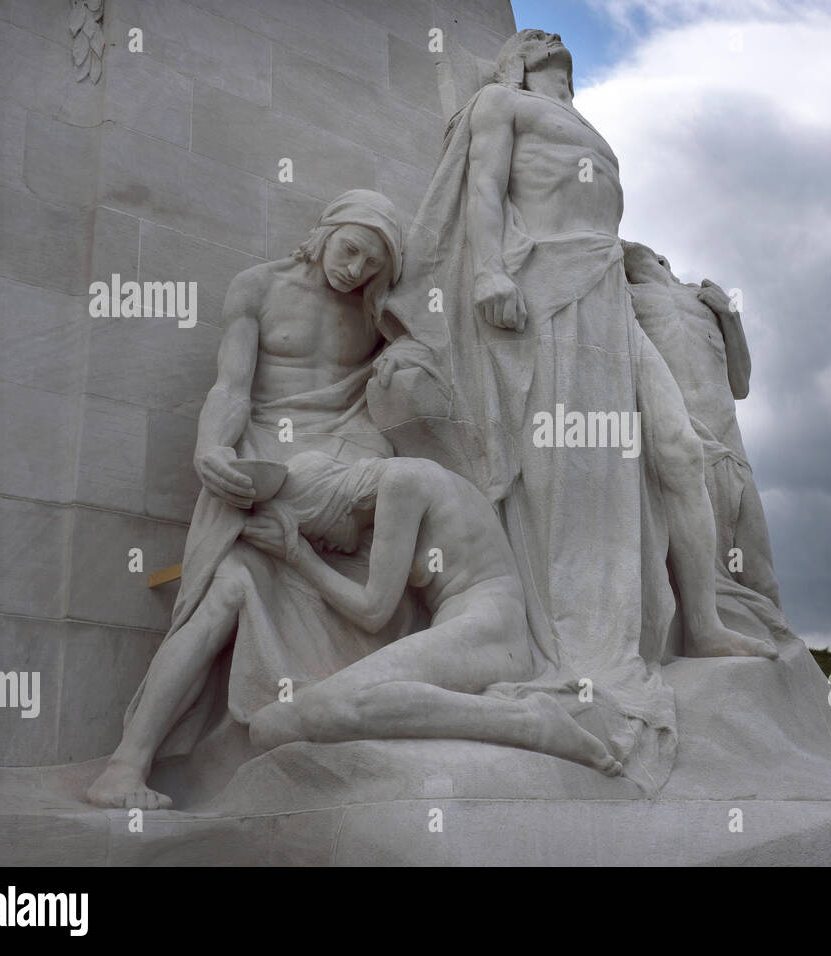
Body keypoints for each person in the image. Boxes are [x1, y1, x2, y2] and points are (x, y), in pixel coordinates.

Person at [366, 30, 776, 791]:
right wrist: (488, 271)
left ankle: (706, 624)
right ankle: (578, 641)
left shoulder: (588, 125)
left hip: (607, 296)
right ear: (518, 58)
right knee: (567, 469)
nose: (553, 44)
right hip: (546, 291)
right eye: (538, 40)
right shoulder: (500, 103)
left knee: (682, 452)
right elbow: (484, 189)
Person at [88, 190, 416, 810]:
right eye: (350, 251)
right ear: (324, 231)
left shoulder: (375, 313)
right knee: (222, 590)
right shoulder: (257, 287)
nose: (355, 270)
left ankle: (331, 732)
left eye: (371, 265)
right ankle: (126, 764)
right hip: (265, 460)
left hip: (343, 467)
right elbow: (232, 386)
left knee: (366, 587)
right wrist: (213, 449)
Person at [240, 451, 622, 776]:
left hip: (490, 629)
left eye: (311, 531)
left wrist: (298, 556)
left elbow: (373, 611)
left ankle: (529, 723)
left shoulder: (401, 480)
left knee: (328, 707)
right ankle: (528, 721)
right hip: (468, 628)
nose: (321, 544)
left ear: (321, 501)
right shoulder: (404, 488)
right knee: (269, 725)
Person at [624, 241, 789, 641]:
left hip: (731, 448)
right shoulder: (623, 298)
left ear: (664, 260)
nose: (626, 247)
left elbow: (741, 384)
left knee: (760, 577)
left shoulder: (703, 300)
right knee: (690, 577)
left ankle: (781, 667)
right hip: (681, 446)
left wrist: (731, 316)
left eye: (635, 246)